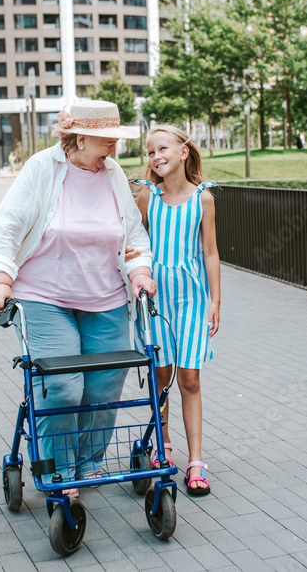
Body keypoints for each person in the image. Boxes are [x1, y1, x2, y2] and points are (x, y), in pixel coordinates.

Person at [0, 100, 157, 494]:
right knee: (61, 385)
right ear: (80, 138)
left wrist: (141, 272)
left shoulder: (111, 174)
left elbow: (133, 236)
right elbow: (7, 225)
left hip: (106, 296)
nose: (113, 151)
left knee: (106, 381)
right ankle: (60, 469)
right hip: (45, 297)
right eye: (107, 142)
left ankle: (89, 460)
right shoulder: (42, 168)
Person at [134, 124, 220, 497]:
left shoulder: (204, 199)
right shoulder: (146, 198)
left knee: (189, 379)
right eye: (150, 152)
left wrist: (216, 300)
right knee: (162, 378)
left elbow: (210, 253)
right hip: (156, 301)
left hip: (192, 300)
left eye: (163, 148)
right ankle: (163, 447)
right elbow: (135, 246)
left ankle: (196, 460)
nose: (156, 157)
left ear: (183, 152)